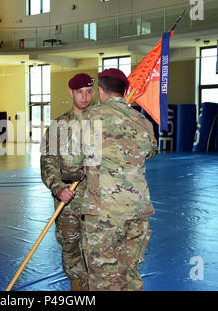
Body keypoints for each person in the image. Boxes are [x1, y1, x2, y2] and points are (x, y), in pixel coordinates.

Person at [60, 68, 157, 291]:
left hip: (104, 213)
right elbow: (150, 152)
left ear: (100, 91)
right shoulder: (143, 122)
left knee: (102, 276)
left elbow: (69, 166)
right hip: (137, 211)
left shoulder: (88, 119)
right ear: (125, 91)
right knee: (129, 273)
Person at [40, 73, 94, 291]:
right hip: (68, 199)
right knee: (70, 242)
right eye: (80, 92)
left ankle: (93, 283)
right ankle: (76, 281)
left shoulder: (101, 122)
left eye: (89, 92)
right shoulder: (59, 126)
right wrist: (58, 187)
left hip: (96, 198)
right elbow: (47, 161)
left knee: (95, 244)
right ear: (71, 93)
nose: (85, 97)